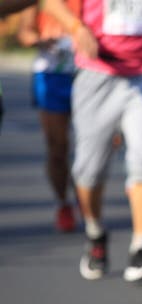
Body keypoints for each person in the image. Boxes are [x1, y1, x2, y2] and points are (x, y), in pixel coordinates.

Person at [43, 0, 142, 283]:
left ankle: (141, 249)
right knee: (88, 171)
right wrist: (76, 27)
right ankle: (95, 231)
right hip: (98, 72)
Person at [17, 1, 80, 233]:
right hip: (51, 75)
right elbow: (24, 32)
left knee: (94, 143)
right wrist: (38, 40)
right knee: (58, 148)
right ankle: (64, 202)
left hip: (87, 72)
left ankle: (88, 192)